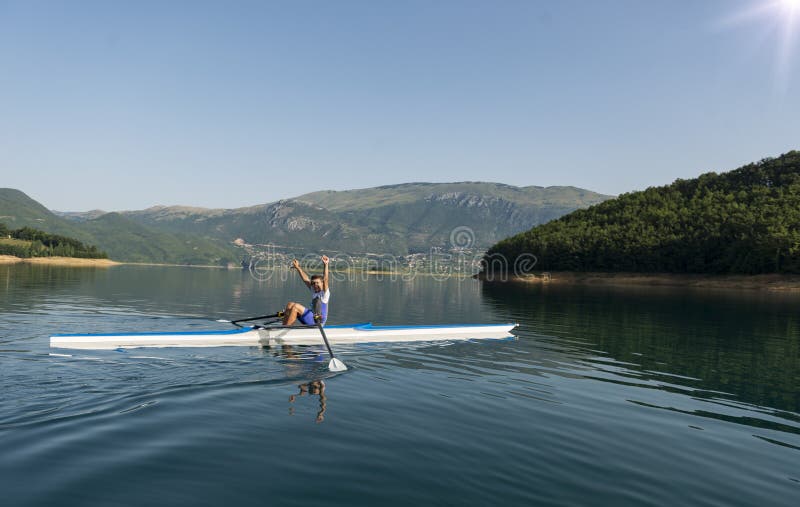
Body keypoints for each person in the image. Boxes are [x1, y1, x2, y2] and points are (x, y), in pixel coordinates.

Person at [282, 255, 330, 326]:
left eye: (317, 283)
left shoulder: (324, 293)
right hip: (311, 317)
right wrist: (298, 267)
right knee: (290, 304)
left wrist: (326, 264)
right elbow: (305, 279)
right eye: (313, 283)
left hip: (318, 321)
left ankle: (286, 328)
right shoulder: (313, 290)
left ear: (322, 283)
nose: (315, 285)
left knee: (296, 306)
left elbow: (325, 279)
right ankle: (284, 326)